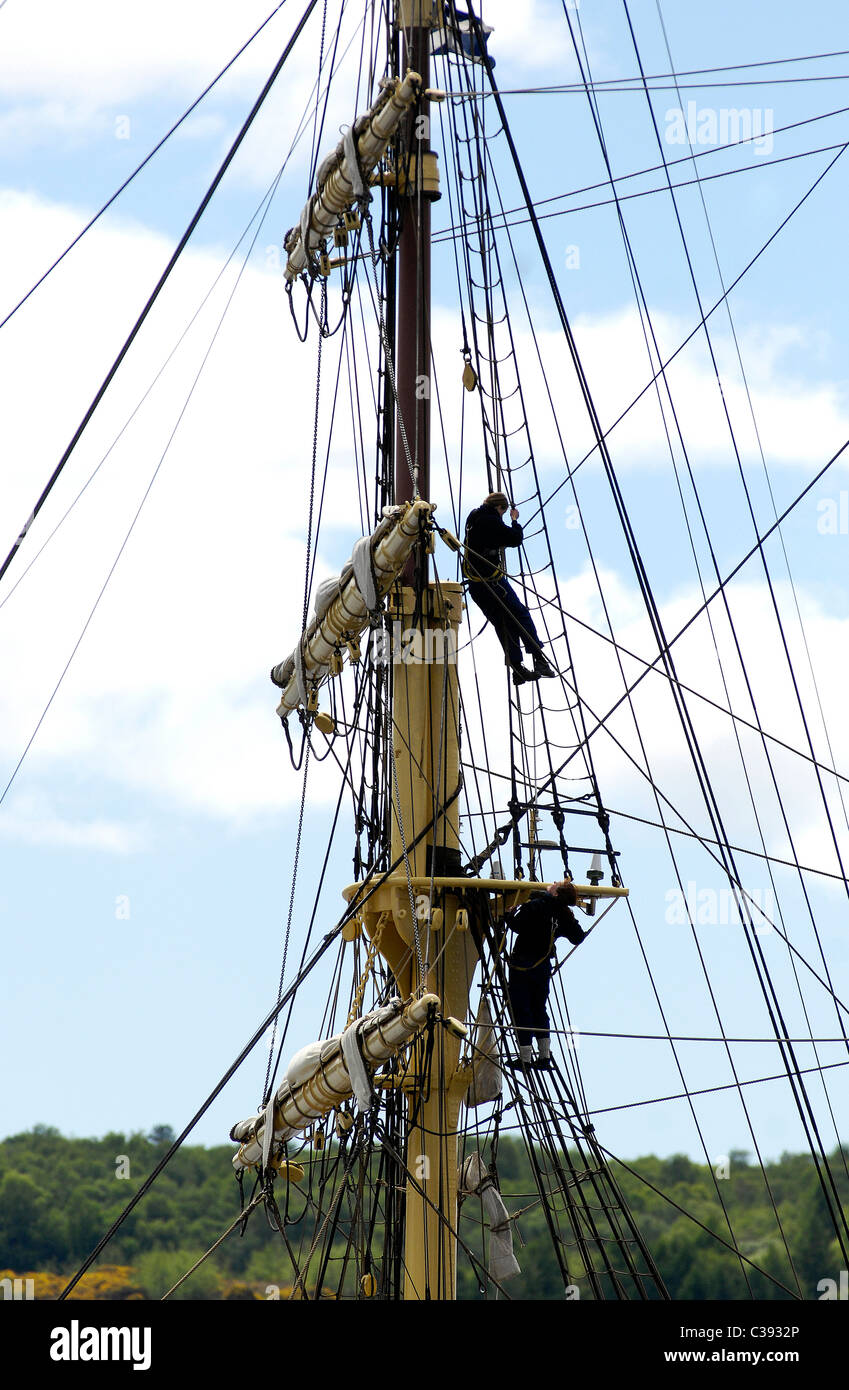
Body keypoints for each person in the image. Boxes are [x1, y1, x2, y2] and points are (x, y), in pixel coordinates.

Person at [463, 491, 556, 685]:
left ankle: (518, 669)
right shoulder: (492, 521)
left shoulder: (473, 516)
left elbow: (489, 536)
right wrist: (514, 521)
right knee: (519, 615)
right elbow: (515, 539)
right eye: (503, 513)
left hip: (476, 588)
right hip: (493, 584)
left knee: (503, 622)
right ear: (500, 508)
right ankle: (539, 659)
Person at [504, 880, 586, 1067]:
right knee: (539, 1009)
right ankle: (544, 1057)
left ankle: (524, 1058)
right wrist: (570, 920)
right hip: (542, 969)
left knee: (521, 1009)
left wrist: (508, 915)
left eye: (557, 884)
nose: (554, 882)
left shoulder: (535, 905)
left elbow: (517, 926)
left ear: (556, 893)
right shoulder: (563, 913)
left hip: (522, 966)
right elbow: (578, 937)